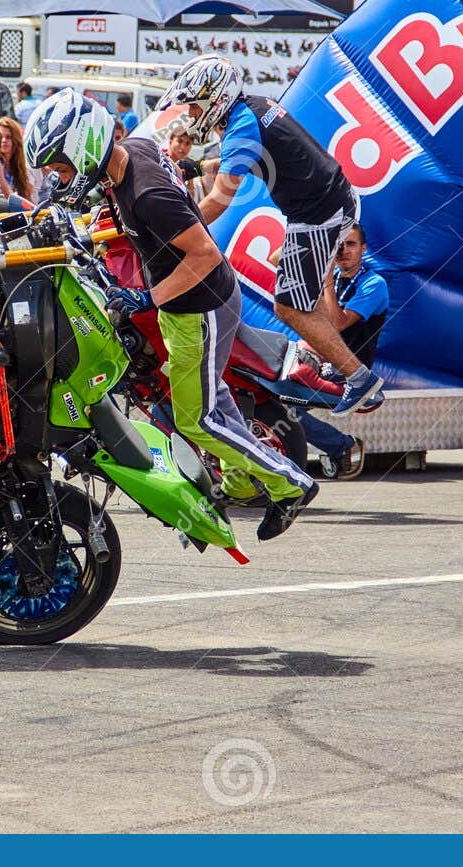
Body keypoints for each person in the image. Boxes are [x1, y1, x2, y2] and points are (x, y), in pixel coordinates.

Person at [25, 88, 318, 541]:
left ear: (83, 148)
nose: (59, 177)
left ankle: (290, 483)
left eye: (61, 166)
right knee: (213, 403)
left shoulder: (147, 193)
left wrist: (149, 297)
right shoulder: (132, 156)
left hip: (198, 307)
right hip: (199, 302)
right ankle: (237, 482)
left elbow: (201, 254)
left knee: (197, 419)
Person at [165, 54, 383, 415]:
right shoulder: (254, 108)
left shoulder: (241, 125)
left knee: (288, 307)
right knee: (300, 292)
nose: (189, 113)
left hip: (318, 215)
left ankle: (360, 380)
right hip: (333, 201)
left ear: (213, 98)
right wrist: (194, 167)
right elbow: (244, 158)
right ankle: (336, 365)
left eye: (192, 105)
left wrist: (170, 232)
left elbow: (219, 199)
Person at [297, 223, 389, 480]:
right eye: (339, 245)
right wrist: (310, 242)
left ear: (363, 248)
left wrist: (325, 280)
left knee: (285, 409)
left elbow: (337, 323)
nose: (344, 251)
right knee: (268, 394)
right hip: (319, 364)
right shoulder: (334, 278)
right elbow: (276, 259)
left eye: (351, 244)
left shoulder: (374, 284)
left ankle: (343, 446)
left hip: (349, 374)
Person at [0, 115, 34, 207]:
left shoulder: (18, 164)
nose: (4, 140)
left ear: (15, 139)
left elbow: (27, 196)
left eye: (8, 137)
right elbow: (8, 194)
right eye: (0, 137)